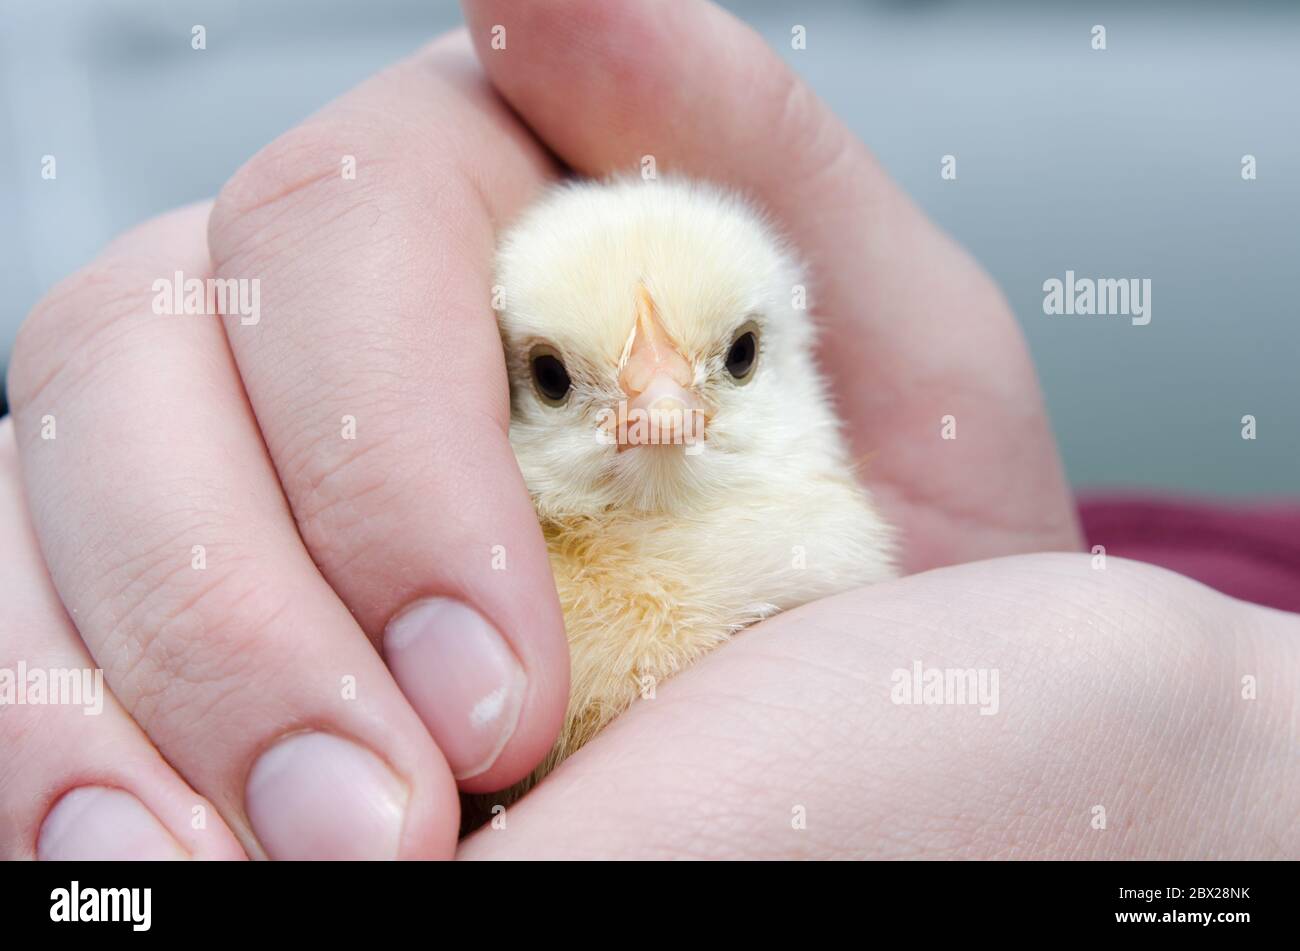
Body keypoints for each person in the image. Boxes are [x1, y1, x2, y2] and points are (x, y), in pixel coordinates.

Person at [1, 0, 1294, 860]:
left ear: (778, 356)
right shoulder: (471, 610)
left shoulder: (864, 578)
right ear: (494, 387)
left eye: (726, 359)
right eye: (561, 380)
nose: (660, 406)